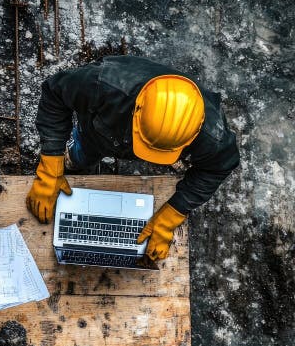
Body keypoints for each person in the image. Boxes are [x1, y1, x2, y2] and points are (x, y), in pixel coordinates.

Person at [27, 55, 239, 261]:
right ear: (138, 109)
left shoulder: (214, 136)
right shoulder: (103, 83)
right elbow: (54, 93)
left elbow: (217, 168)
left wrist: (172, 215)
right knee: (82, 154)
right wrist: (50, 169)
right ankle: (77, 153)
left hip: (123, 130)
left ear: (193, 135)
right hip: (99, 132)